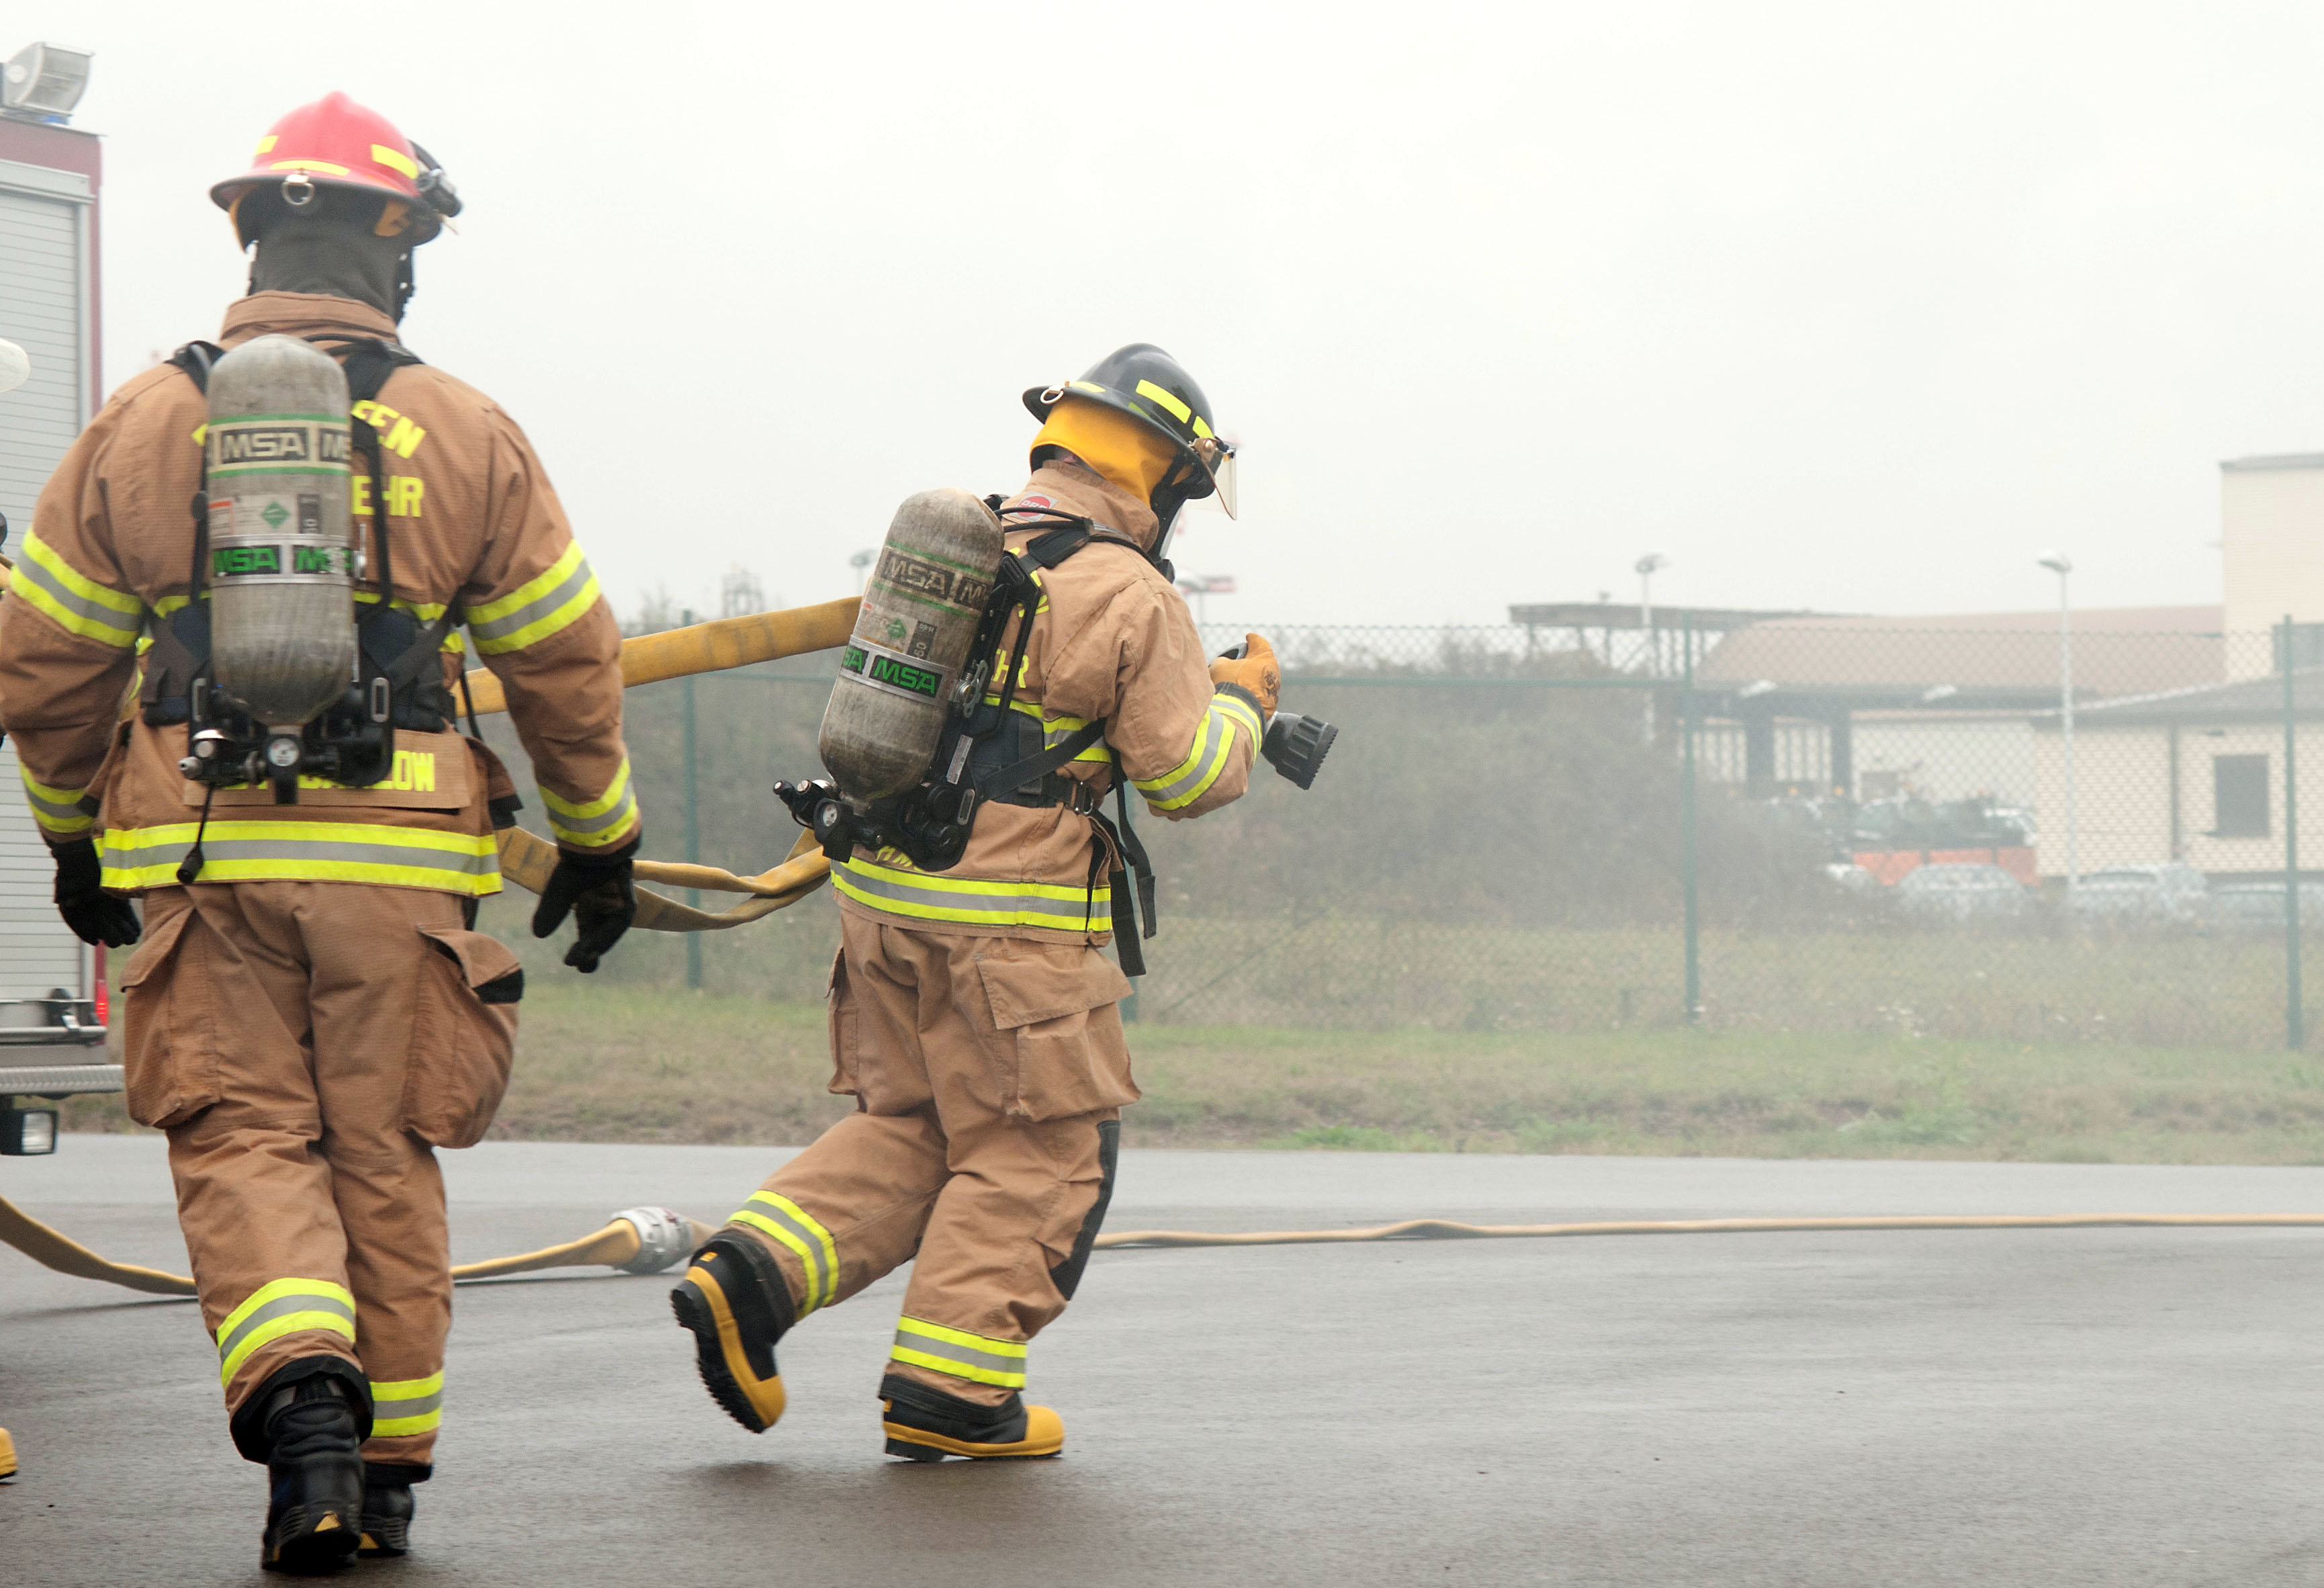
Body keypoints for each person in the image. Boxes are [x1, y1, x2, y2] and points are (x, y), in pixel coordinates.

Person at [0, 92, 639, 1572]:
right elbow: (568, 663)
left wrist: (70, 835)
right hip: (405, 863)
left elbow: (44, 668)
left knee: (243, 1141)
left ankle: (305, 1432)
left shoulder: (144, 422)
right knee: (384, 1151)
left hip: (199, 846)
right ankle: (389, 1477)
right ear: (396, 245)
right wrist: (598, 840)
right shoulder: (468, 431)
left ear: (250, 231)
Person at [671, 344, 1273, 1461]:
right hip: (1016, 939)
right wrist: (1241, 699)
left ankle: (746, 1277)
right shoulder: (1127, 590)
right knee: (1039, 1151)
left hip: (882, 907)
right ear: (1165, 472)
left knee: (917, 1128)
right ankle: (953, 1394)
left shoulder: (967, 550)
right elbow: (1188, 777)